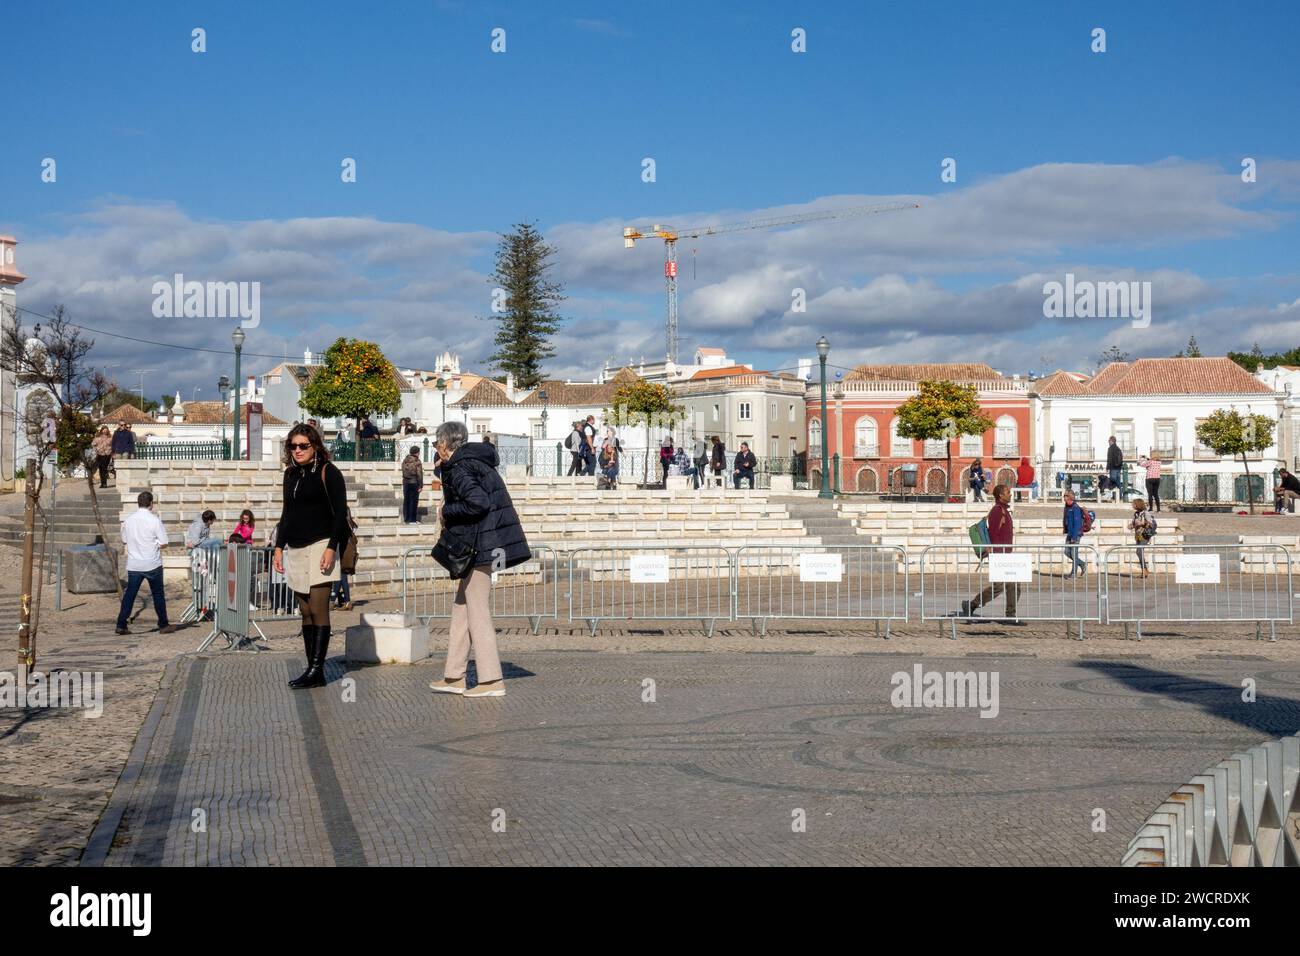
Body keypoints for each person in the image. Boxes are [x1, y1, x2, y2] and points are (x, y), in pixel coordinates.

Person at [428, 421, 531, 698]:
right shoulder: (475, 462)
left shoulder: (461, 467)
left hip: (480, 546)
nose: (436, 450)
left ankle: (491, 679)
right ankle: (454, 676)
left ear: (446, 445)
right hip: (483, 543)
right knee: (463, 609)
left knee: (477, 611)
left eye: (437, 444)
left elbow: (478, 503)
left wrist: (446, 511)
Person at [272, 424, 352, 690]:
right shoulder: (290, 475)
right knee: (304, 610)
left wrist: (332, 547)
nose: (297, 451)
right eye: (293, 446)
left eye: (303, 446)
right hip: (295, 546)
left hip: (321, 544)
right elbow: (287, 513)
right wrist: (279, 546)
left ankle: (318, 668)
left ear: (315, 446)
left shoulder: (329, 472)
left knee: (318, 607)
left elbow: (340, 513)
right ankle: (311, 668)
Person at [116, 491, 177, 635]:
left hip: (134, 564)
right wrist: (154, 542)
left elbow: (124, 539)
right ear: (151, 504)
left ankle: (121, 624)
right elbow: (164, 543)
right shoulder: (154, 520)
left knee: (130, 595)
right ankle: (163, 624)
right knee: (157, 594)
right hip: (152, 563)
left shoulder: (129, 520)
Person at [961, 484, 1023, 624]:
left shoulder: (1004, 510)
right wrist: (995, 551)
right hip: (999, 555)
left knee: (1014, 585)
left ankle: (1011, 616)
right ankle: (972, 605)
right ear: (1000, 495)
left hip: (1006, 554)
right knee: (999, 587)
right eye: (1007, 492)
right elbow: (993, 533)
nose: (1010, 494)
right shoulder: (997, 511)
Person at [1127, 497, 1156, 578]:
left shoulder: (1146, 513)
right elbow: (1134, 523)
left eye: (1134, 504)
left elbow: (1151, 523)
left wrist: (1141, 524)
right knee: (1138, 552)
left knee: (1139, 551)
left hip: (1144, 535)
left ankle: (1144, 570)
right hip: (1138, 535)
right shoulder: (1136, 513)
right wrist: (1131, 526)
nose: (1132, 505)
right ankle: (1145, 570)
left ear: (1138, 505)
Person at [1062, 491, 1087, 578]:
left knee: (1073, 553)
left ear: (1069, 497)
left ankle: (1073, 573)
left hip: (1075, 534)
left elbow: (1077, 524)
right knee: (1067, 552)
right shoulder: (1067, 507)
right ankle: (1082, 564)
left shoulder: (1075, 508)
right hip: (1070, 533)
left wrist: (1074, 537)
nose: (1063, 498)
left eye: (1065, 496)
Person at [401, 445, 424, 523]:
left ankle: (406, 519)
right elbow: (419, 474)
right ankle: (412, 520)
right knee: (413, 501)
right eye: (419, 452)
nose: (419, 453)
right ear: (416, 453)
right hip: (414, 482)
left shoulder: (405, 460)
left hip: (406, 482)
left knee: (406, 500)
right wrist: (420, 485)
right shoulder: (417, 461)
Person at [1106, 436, 1124, 502]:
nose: (1108, 442)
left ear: (1111, 441)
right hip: (1118, 468)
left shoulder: (1110, 448)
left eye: (1109, 441)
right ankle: (1120, 497)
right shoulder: (1118, 449)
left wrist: (1107, 467)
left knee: (1113, 483)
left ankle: (1114, 497)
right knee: (1118, 482)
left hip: (1113, 467)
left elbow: (1109, 459)